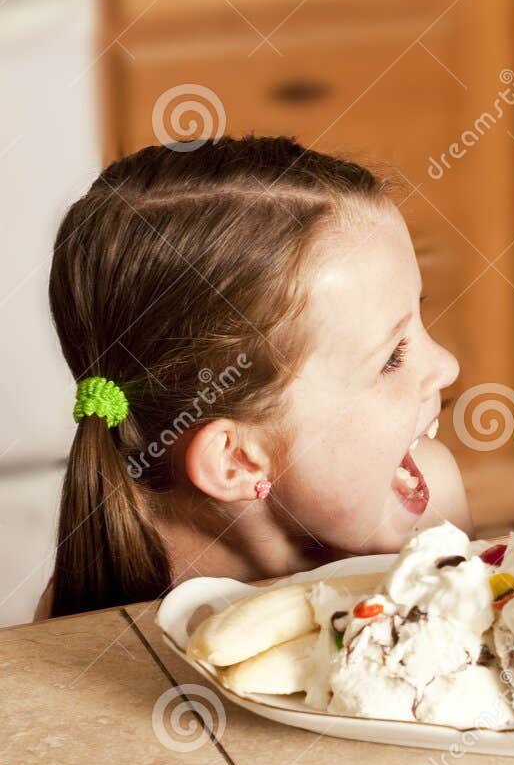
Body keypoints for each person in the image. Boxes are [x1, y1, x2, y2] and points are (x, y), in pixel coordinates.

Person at [41, 135, 465, 617]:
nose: (447, 365)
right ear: (239, 461)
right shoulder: (96, 622)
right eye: (392, 358)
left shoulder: (434, 511)